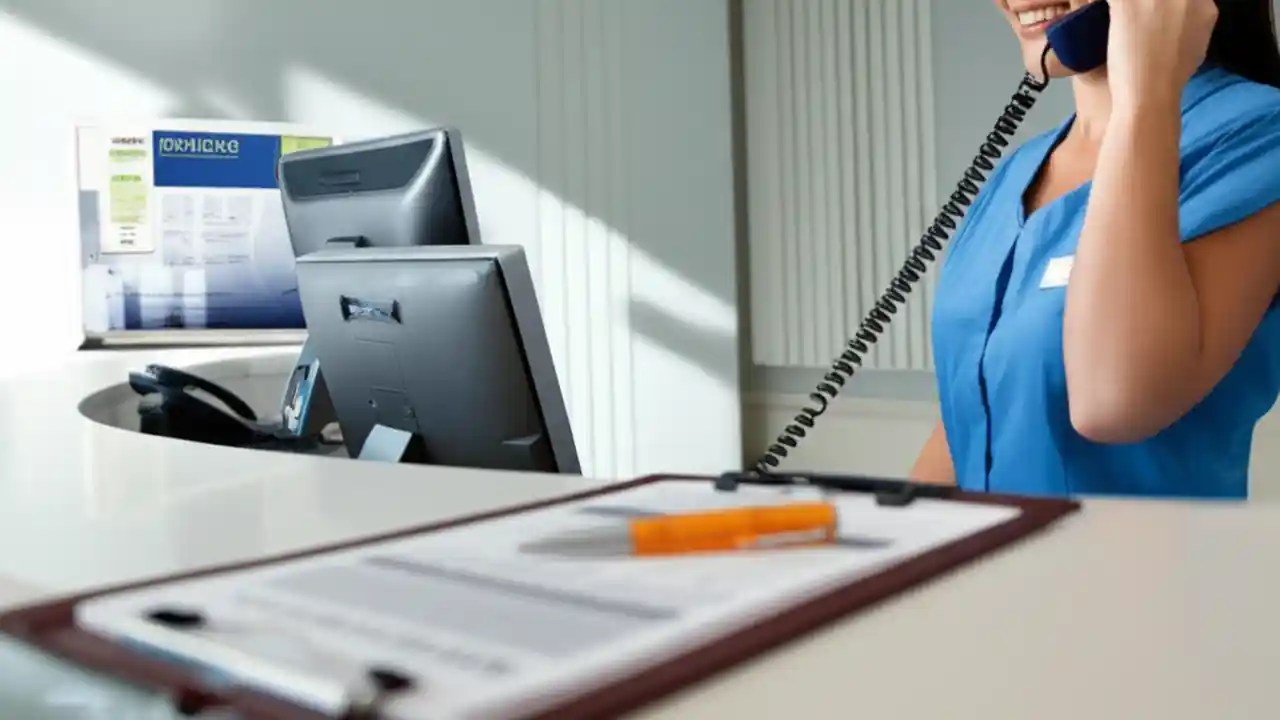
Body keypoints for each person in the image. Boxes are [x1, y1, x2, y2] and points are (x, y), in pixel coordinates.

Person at [911, 0, 1280, 498]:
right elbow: (970, 416)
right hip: (986, 568)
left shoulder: (1258, 133)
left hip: (1136, 573)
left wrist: (1146, 94)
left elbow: (1114, 403)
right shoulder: (1018, 169)